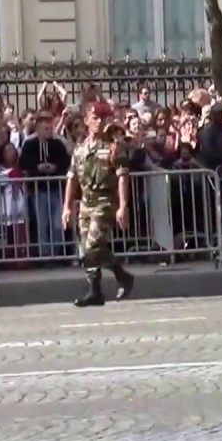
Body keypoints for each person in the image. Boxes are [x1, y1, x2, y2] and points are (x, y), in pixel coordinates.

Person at [61, 101, 134, 307]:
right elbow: (72, 178)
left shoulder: (113, 148)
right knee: (86, 250)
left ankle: (121, 275)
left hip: (104, 201)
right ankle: (96, 290)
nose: (100, 123)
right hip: (85, 202)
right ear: (86, 121)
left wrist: (123, 206)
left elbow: (122, 177)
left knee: (94, 244)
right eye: (96, 118)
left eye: (104, 118)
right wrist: (67, 206)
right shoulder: (80, 150)